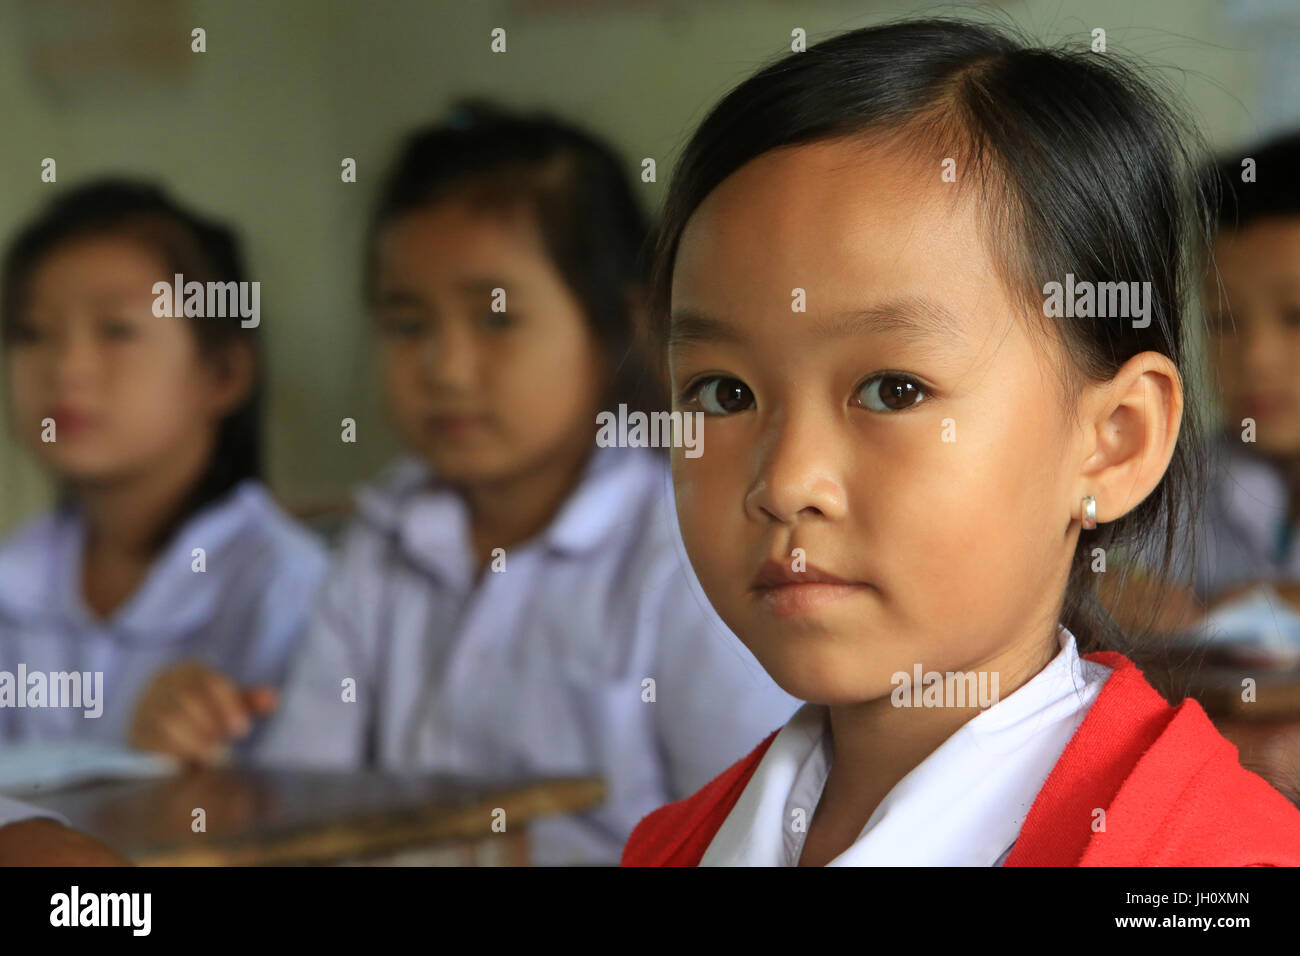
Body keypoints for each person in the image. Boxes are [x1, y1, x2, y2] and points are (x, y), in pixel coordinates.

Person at [622, 19, 1300, 866]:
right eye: (724, 394)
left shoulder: (1214, 865)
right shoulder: (670, 848)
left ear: (1114, 442)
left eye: (893, 391)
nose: (787, 481)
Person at [129, 101, 799, 865]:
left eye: (496, 318)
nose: (445, 369)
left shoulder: (675, 551)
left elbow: (754, 833)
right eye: (408, 324)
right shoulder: (380, 543)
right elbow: (309, 804)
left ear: (624, 326)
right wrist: (206, 763)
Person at [0, 180, 327, 749]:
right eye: (33, 334)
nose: (68, 369)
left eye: (117, 331)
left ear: (222, 373)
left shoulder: (283, 587)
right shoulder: (13, 577)